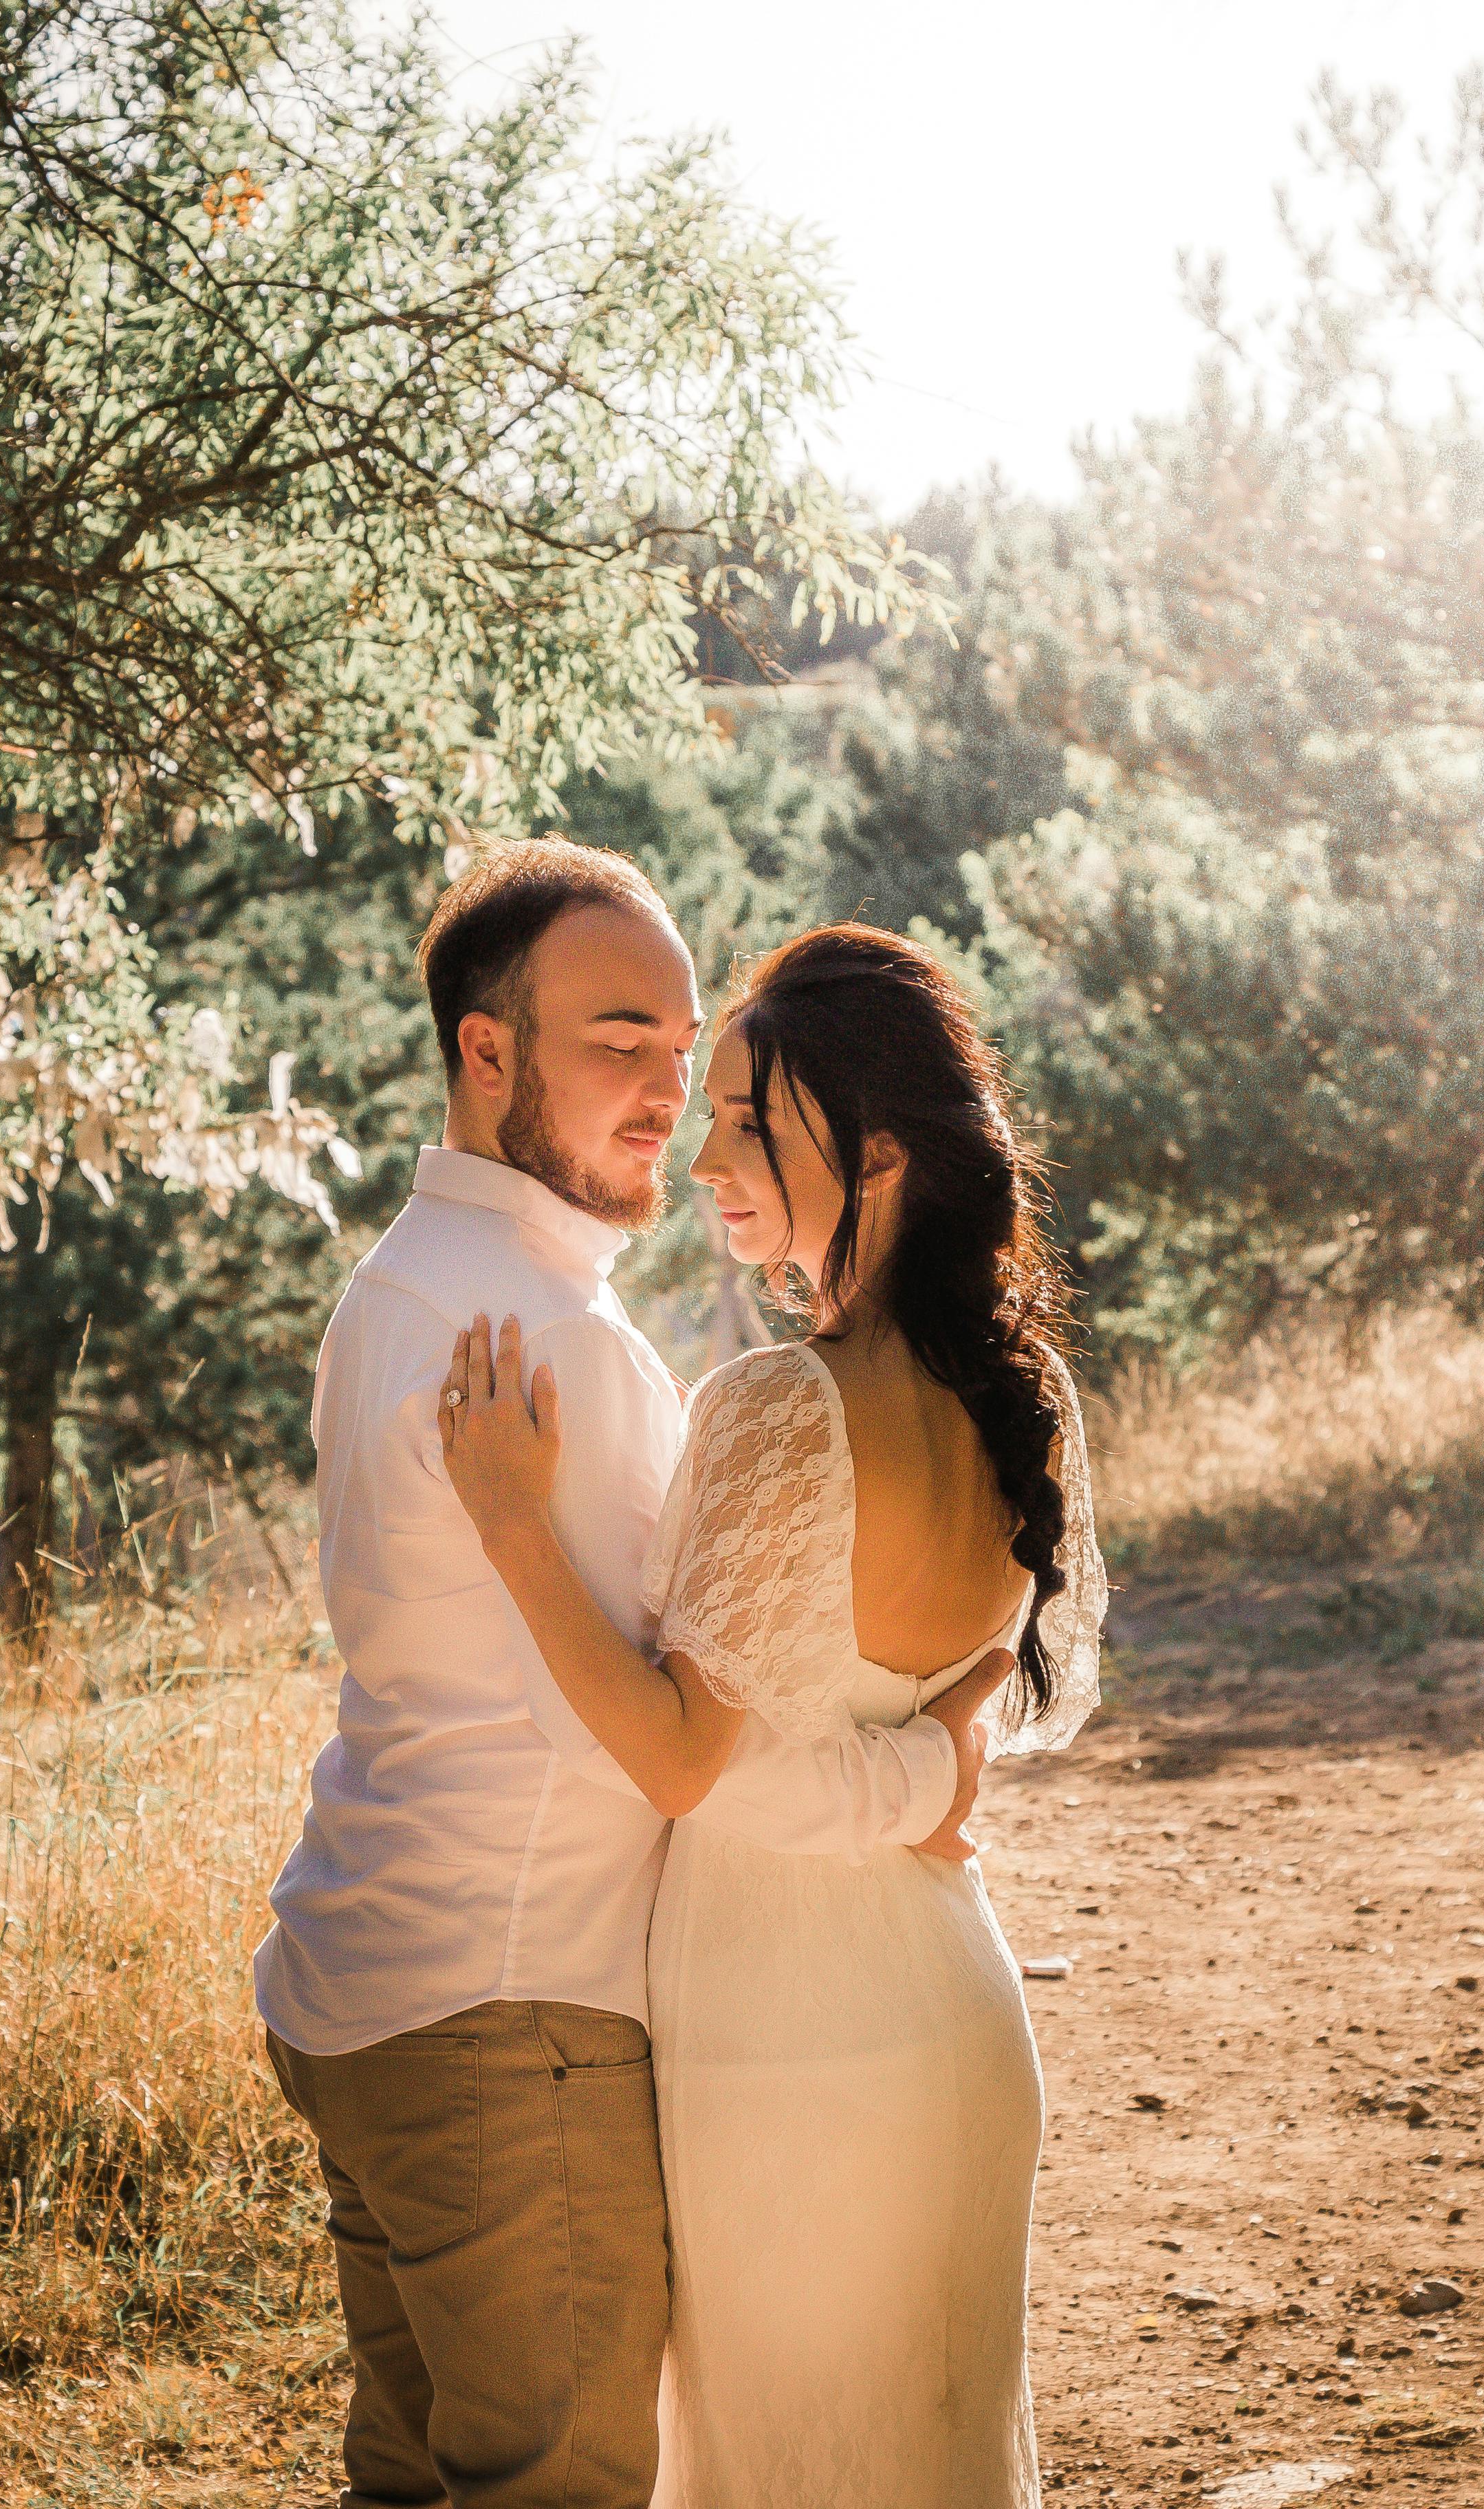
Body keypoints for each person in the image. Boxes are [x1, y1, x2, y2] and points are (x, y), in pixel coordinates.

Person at [252, 845, 1015, 2509]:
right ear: (487, 1051)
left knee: (414, 2479)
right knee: (561, 2485)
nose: (671, 1092)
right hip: (512, 2014)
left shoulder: (390, 1293)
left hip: (364, 1982)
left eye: (688, 1052)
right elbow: (675, 1739)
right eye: (620, 1041)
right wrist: (929, 1770)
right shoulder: (560, 1350)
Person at [442, 921, 1106, 2509]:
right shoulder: (1027, 1395)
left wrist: (513, 1522)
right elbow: (971, 1717)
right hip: (950, 2017)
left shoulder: (775, 1406)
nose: (705, 1151)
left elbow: (683, 1757)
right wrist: (924, 1761)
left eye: (749, 1121)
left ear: (875, 1153)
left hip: (789, 2049)